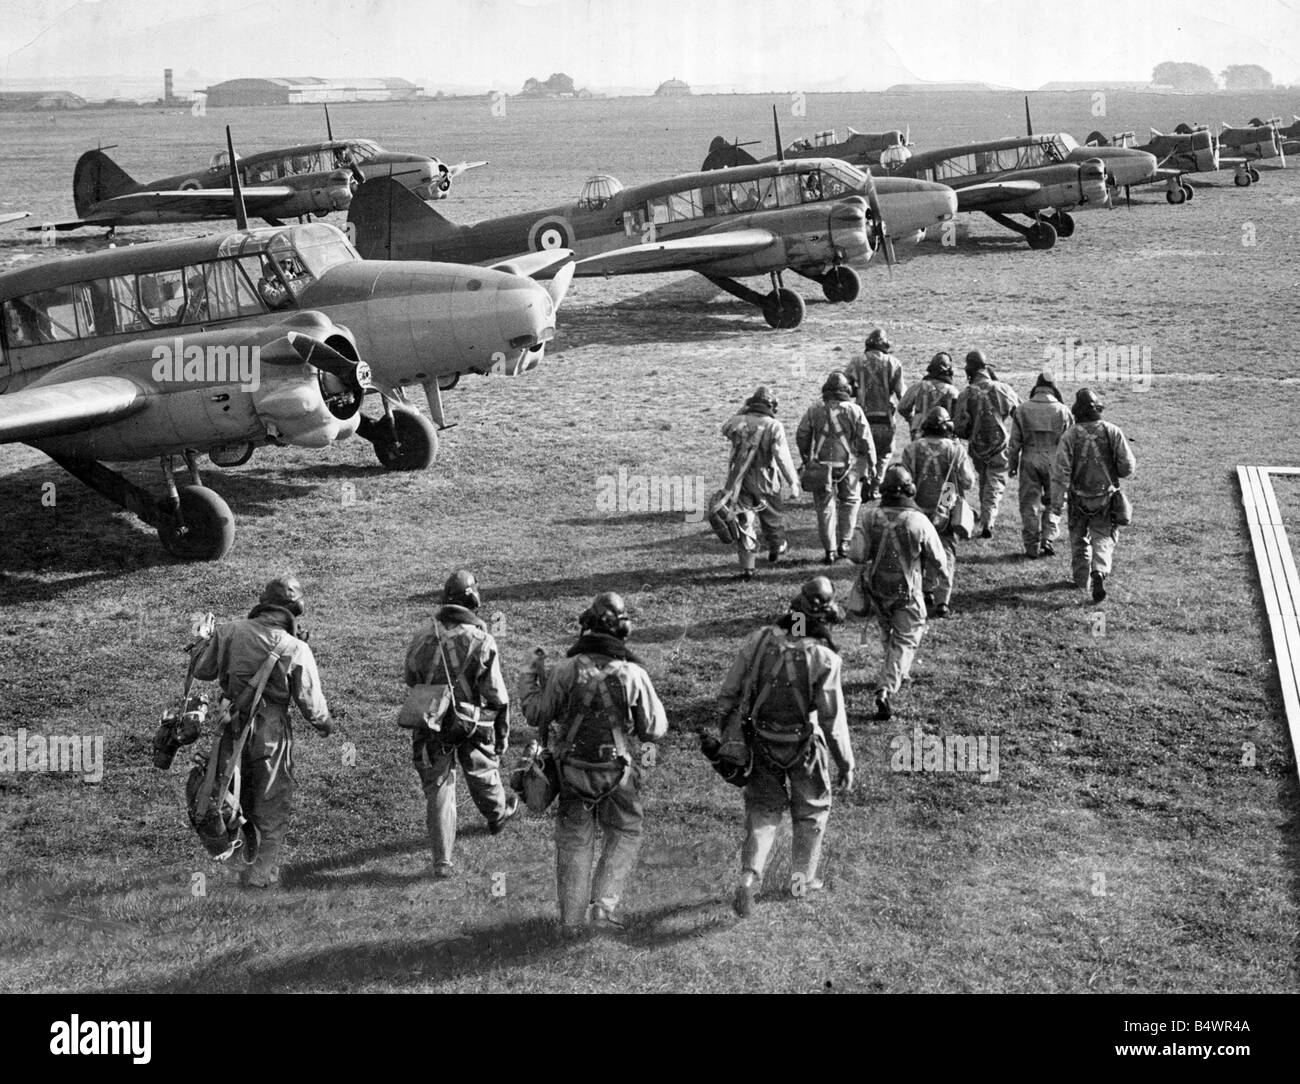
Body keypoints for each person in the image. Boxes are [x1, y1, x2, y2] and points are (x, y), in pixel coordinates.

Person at [518, 593, 667, 933]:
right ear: (624, 630)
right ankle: (603, 905)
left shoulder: (565, 670)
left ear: (586, 627)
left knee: (574, 841)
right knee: (626, 831)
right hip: (616, 773)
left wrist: (530, 673)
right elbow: (654, 731)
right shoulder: (633, 674)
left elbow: (535, 712)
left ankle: (570, 922)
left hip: (571, 771)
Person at [718, 577, 855, 918]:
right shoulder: (824, 658)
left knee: (763, 811)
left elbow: (728, 695)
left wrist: (731, 739)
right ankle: (800, 883)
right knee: (810, 812)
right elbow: (832, 721)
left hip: (761, 742)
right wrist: (846, 763)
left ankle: (749, 878)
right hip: (804, 747)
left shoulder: (760, 640)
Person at [192, 576, 333, 889]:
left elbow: (202, 670)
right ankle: (259, 878)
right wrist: (326, 725)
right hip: (271, 733)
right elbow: (311, 704)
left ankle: (237, 863)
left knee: (229, 800)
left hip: (230, 729)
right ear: (293, 610)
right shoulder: (296, 647)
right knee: (271, 805)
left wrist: (203, 639)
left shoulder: (229, 631)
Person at [403, 570, 517, 879]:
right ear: (474, 601)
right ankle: (497, 815)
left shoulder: (423, 633)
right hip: (471, 721)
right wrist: (502, 731)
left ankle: (442, 862)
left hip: (430, 721)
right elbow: (497, 695)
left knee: (439, 787)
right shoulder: (482, 639)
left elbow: (410, 677)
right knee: (481, 770)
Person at [847, 465, 945, 720]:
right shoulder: (918, 520)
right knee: (905, 638)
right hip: (907, 591)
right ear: (909, 489)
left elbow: (856, 555)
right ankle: (886, 689)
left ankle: (899, 671)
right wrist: (939, 581)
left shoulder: (869, 516)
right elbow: (938, 558)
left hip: (877, 587)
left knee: (887, 632)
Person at [1050, 388, 1135, 603]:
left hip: (1078, 498)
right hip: (1106, 498)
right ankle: (1099, 570)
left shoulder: (1069, 435)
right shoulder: (1112, 431)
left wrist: (1056, 503)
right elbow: (1127, 467)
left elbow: (1060, 472)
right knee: (1103, 537)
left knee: (1078, 540)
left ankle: (1080, 580)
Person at [900, 407, 976, 617]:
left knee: (917, 553)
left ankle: (922, 591)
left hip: (916, 507)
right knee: (946, 554)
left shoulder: (911, 448)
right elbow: (968, 482)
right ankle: (942, 601)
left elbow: (904, 481)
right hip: (946, 506)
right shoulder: (955, 449)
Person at [721, 385, 801, 580]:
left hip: (740, 481)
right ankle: (776, 547)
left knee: (744, 522)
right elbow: (782, 456)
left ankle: (748, 568)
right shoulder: (774, 426)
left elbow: (725, 429)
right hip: (767, 480)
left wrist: (743, 410)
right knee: (772, 518)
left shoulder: (737, 421)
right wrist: (793, 482)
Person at [796, 372, 876, 565]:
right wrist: (872, 465)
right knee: (850, 502)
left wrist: (806, 458)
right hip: (848, 467)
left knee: (824, 509)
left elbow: (802, 435)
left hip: (821, 467)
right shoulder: (854, 410)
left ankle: (830, 550)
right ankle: (845, 543)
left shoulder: (814, 409)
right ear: (846, 389)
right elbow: (866, 440)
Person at [952, 350, 1020, 539]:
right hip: (999, 445)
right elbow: (1019, 414)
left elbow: (958, 426)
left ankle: (984, 517)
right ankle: (988, 520)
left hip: (977, 446)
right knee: (995, 483)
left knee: (984, 480)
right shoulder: (1002, 388)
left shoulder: (965, 393)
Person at [1009, 372, 1073, 558]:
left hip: (1029, 457)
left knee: (1029, 503)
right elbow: (1069, 443)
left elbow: (1014, 443)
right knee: (1055, 502)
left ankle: (1031, 545)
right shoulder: (1063, 410)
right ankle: (1048, 537)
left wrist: (1012, 464)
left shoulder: (1022, 409)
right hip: (1055, 460)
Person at [846, 328, 906, 498]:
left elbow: (845, 387)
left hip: (862, 418)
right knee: (884, 454)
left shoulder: (856, 362)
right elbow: (902, 394)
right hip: (885, 419)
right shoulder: (893, 363)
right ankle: (875, 486)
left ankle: (862, 481)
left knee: (862, 453)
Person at [898, 352, 958, 440]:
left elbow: (902, 407)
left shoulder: (919, 387)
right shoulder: (953, 391)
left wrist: (912, 420)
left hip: (920, 435)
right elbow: (958, 417)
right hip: (945, 437)